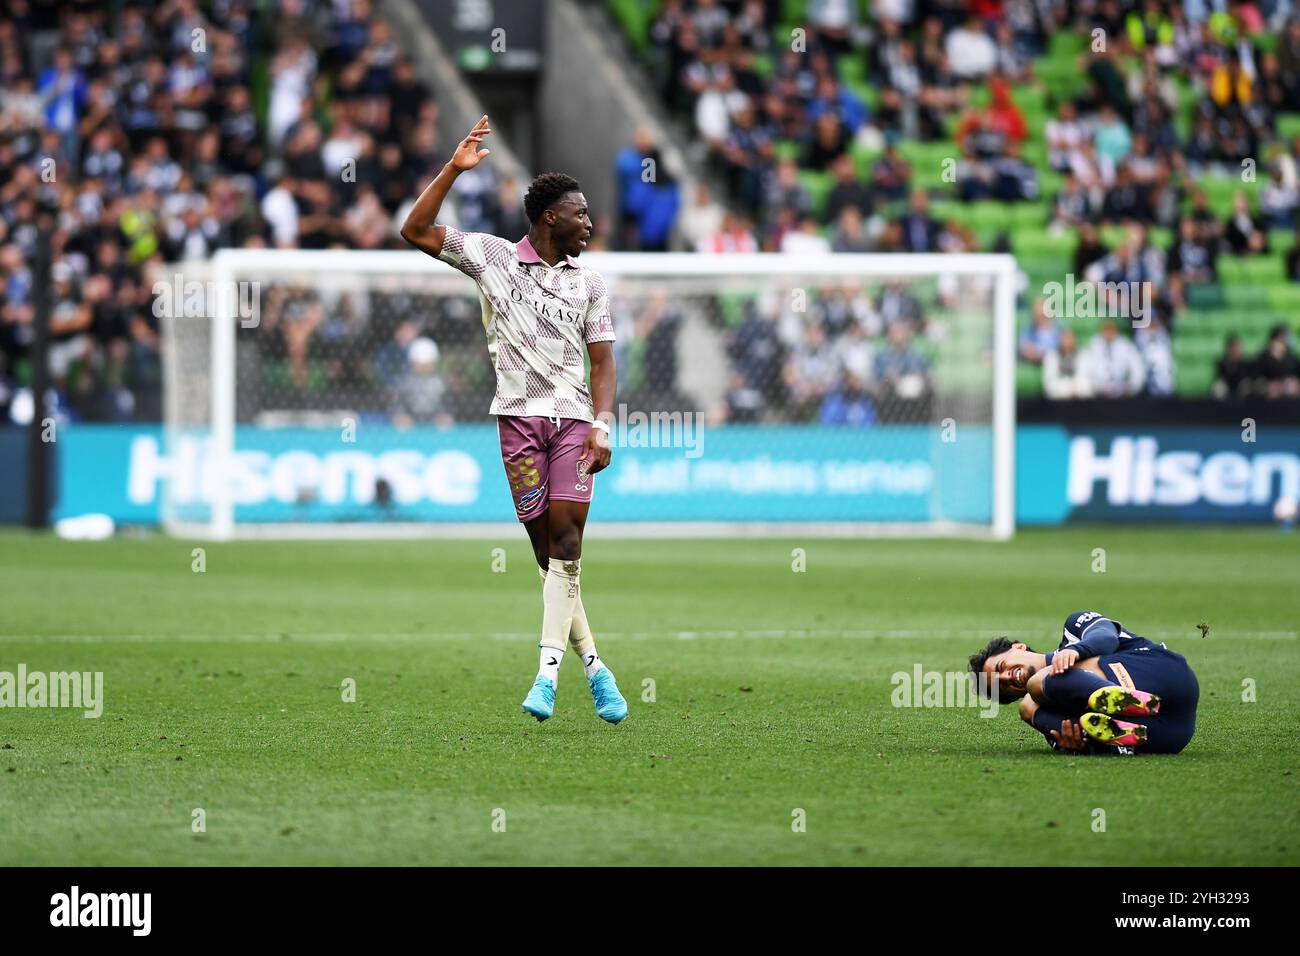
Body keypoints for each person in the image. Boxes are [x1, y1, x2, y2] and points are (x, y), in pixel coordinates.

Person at [400, 115, 628, 724]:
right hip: (518, 422)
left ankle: (546, 676)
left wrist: (603, 424)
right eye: (580, 214)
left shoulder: (591, 284)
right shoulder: (493, 258)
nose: (589, 224)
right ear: (549, 216)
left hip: (574, 423)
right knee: (548, 557)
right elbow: (413, 229)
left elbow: (603, 362)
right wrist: (454, 168)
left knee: (569, 540)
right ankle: (596, 668)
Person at [968, 611, 1200, 755]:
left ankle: (1121, 698)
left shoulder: (1074, 629)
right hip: (1168, 734)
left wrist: (1076, 651)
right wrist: (1080, 745)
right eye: (1003, 685)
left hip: (1168, 676)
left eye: (1001, 668)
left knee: (1038, 683)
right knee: (1028, 707)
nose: (1007, 677)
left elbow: (1105, 636)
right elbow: (1069, 739)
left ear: (1018, 647)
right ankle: (1120, 726)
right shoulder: (1037, 707)